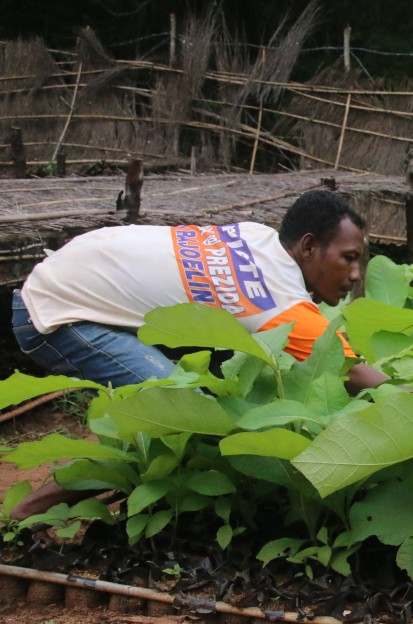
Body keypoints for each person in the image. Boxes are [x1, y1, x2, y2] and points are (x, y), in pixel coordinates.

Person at [8, 189, 390, 519]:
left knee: (195, 398)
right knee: (186, 412)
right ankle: (26, 513)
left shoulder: (260, 241)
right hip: (59, 310)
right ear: (308, 247)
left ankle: (130, 485)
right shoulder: (271, 298)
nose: (357, 274)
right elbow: (349, 371)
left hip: (80, 270)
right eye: (349, 257)